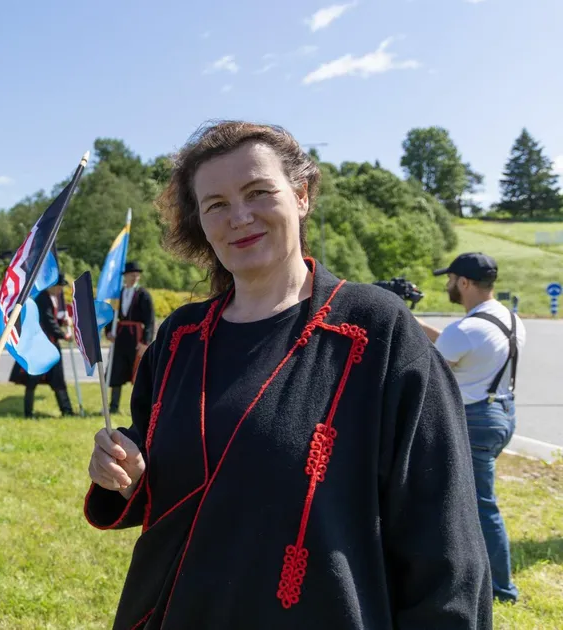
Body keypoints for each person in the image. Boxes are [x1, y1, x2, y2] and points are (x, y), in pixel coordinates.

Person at [83, 121, 491, 629]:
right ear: (200, 222)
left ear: (301, 195)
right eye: (216, 204)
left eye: (258, 192)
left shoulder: (375, 330)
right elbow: (167, 489)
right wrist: (126, 476)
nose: (239, 217)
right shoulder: (179, 338)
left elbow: (443, 539)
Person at [417, 252, 525, 604]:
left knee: (480, 506)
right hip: (502, 413)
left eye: (450, 280)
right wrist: (414, 322)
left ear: (464, 282)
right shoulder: (509, 319)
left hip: (474, 421)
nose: (448, 286)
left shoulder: (465, 330)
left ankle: (501, 589)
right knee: (474, 501)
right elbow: (459, 346)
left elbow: (432, 364)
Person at [9, 274, 75, 417]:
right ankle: (28, 413)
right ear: (51, 286)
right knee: (32, 379)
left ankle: (67, 411)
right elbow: (48, 322)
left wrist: (62, 322)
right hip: (40, 345)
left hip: (50, 344)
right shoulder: (42, 299)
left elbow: (53, 320)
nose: (60, 290)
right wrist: (64, 335)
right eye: (59, 287)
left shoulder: (52, 298)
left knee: (58, 378)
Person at [104, 261, 155, 414]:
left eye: (137, 275)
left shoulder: (143, 294)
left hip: (136, 337)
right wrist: (108, 331)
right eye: (132, 275)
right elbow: (110, 314)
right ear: (125, 276)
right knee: (116, 370)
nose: (135, 278)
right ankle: (113, 406)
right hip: (120, 336)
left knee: (139, 373)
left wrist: (145, 342)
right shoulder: (117, 295)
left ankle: (140, 409)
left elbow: (150, 320)